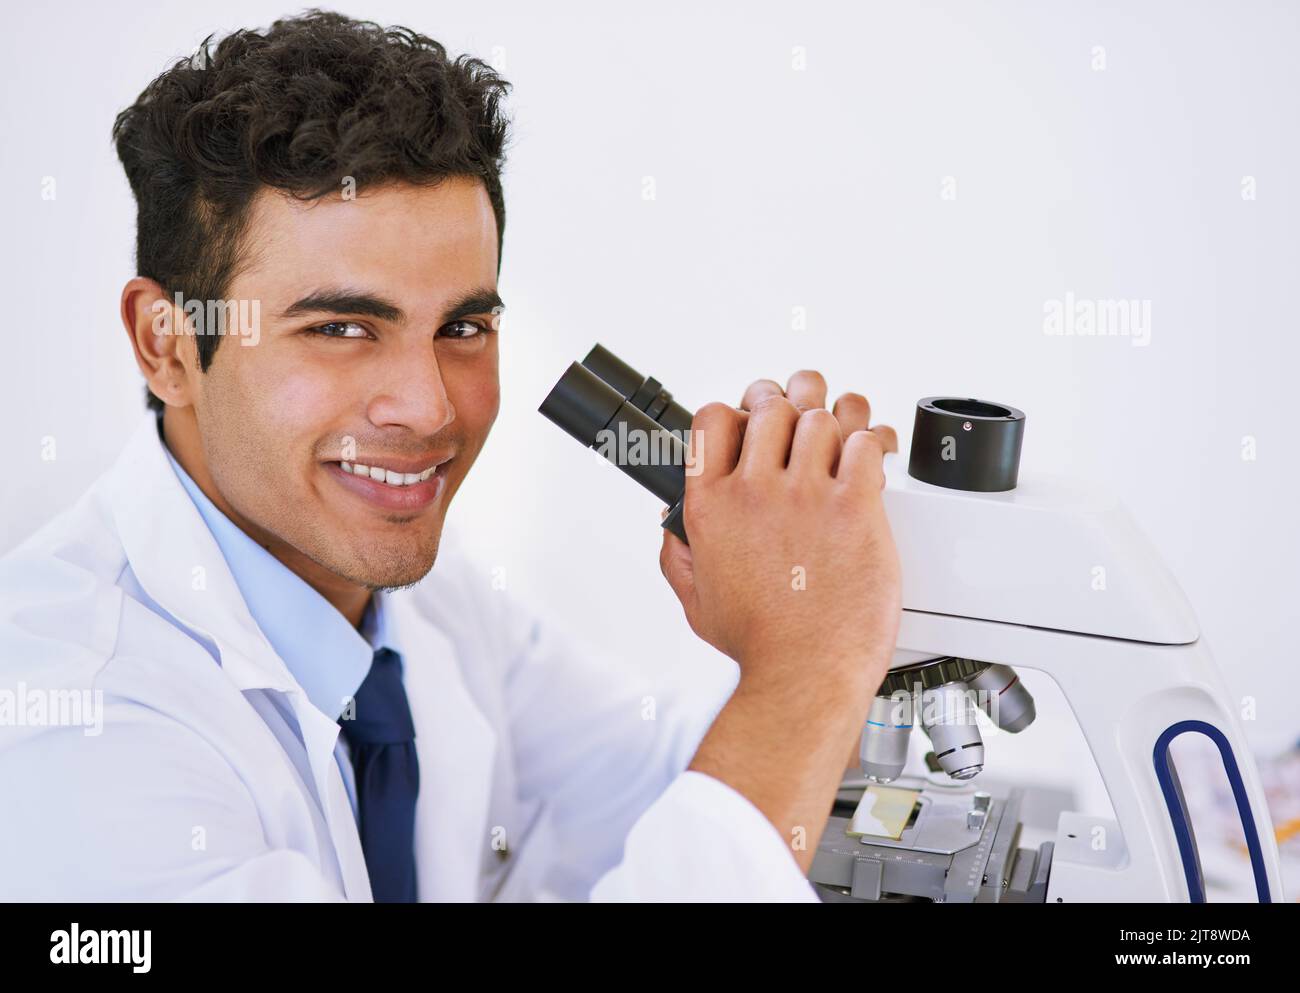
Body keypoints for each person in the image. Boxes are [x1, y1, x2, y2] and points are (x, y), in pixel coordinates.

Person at [0, 10, 900, 901]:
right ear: (165, 345)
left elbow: (653, 780)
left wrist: (839, 591)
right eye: (342, 327)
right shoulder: (71, 721)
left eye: (463, 326)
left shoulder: (419, 598)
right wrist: (804, 667)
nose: (430, 407)